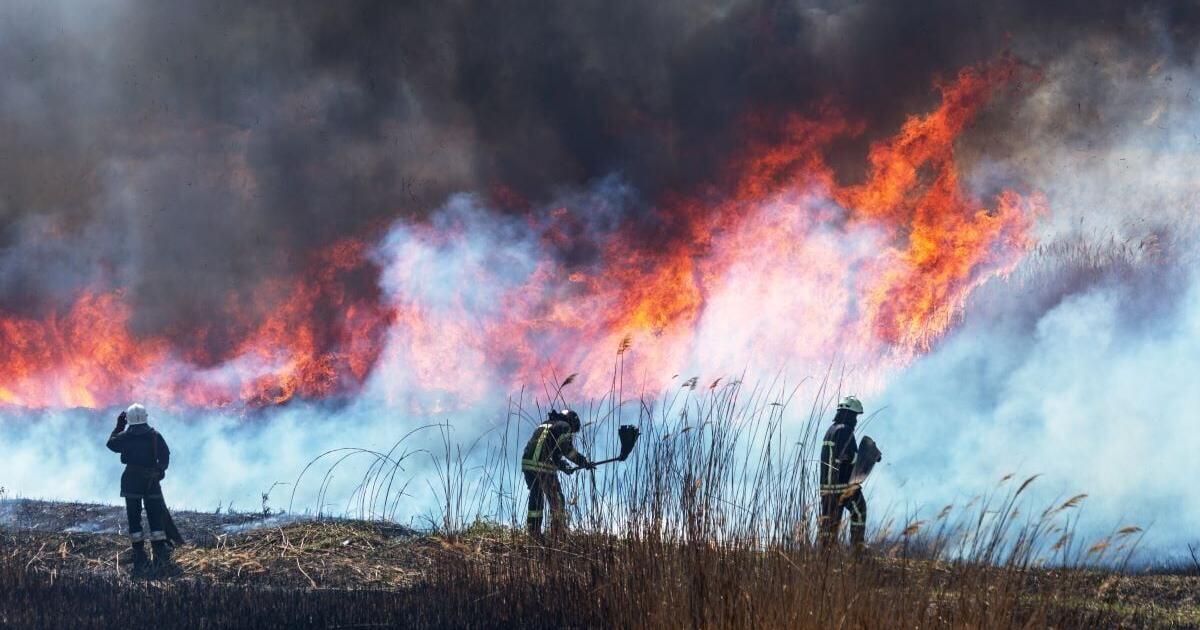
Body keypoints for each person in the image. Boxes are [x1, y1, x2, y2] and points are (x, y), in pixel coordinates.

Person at [106, 403, 172, 572]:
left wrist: (119, 426)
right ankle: (159, 550)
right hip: (151, 481)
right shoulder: (155, 436)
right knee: (155, 514)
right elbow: (165, 455)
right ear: (145, 418)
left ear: (128, 419)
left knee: (133, 516)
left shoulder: (125, 437)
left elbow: (111, 444)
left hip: (131, 480)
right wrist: (160, 470)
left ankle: (138, 552)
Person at [520, 409, 594, 539]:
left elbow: (554, 452)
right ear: (571, 422)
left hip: (527, 463)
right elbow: (567, 451)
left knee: (536, 497)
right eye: (573, 431)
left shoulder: (546, 424)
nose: (571, 433)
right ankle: (558, 534)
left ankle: (534, 533)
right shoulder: (564, 426)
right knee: (557, 499)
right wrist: (583, 462)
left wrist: (563, 466)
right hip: (542, 465)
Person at [818, 395, 878, 550]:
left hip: (827, 487)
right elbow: (848, 456)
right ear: (849, 415)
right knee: (859, 511)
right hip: (843, 485)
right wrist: (869, 456)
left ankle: (825, 555)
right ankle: (857, 549)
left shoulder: (831, 430)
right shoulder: (844, 430)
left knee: (829, 524)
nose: (856, 420)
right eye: (855, 416)